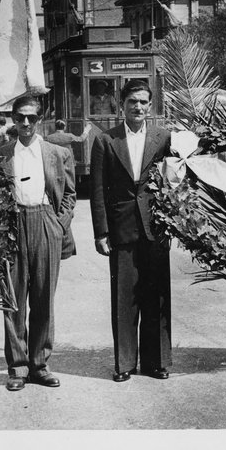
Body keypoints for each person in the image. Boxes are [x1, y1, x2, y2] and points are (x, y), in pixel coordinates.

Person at [0, 96, 77, 391]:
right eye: (19, 117)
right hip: (13, 227)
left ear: (40, 119)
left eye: (31, 117)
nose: (25, 123)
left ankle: (39, 365)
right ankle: (17, 367)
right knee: (12, 301)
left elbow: (70, 194)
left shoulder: (58, 152)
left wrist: (57, 226)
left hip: (45, 223)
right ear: (12, 118)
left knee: (43, 300)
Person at [89, 80, 172, 382]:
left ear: (151, 106)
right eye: (132, 101)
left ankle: (157, 362)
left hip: (156, 228)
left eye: (143, 102)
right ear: (120, 104)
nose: (138, 107)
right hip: (121, 230)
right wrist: (101, 232)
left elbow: (175, 181)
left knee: (157, 296)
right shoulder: (105, 141)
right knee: (125, 299)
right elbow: (98, 190)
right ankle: (124, 363)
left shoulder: (163, 138)